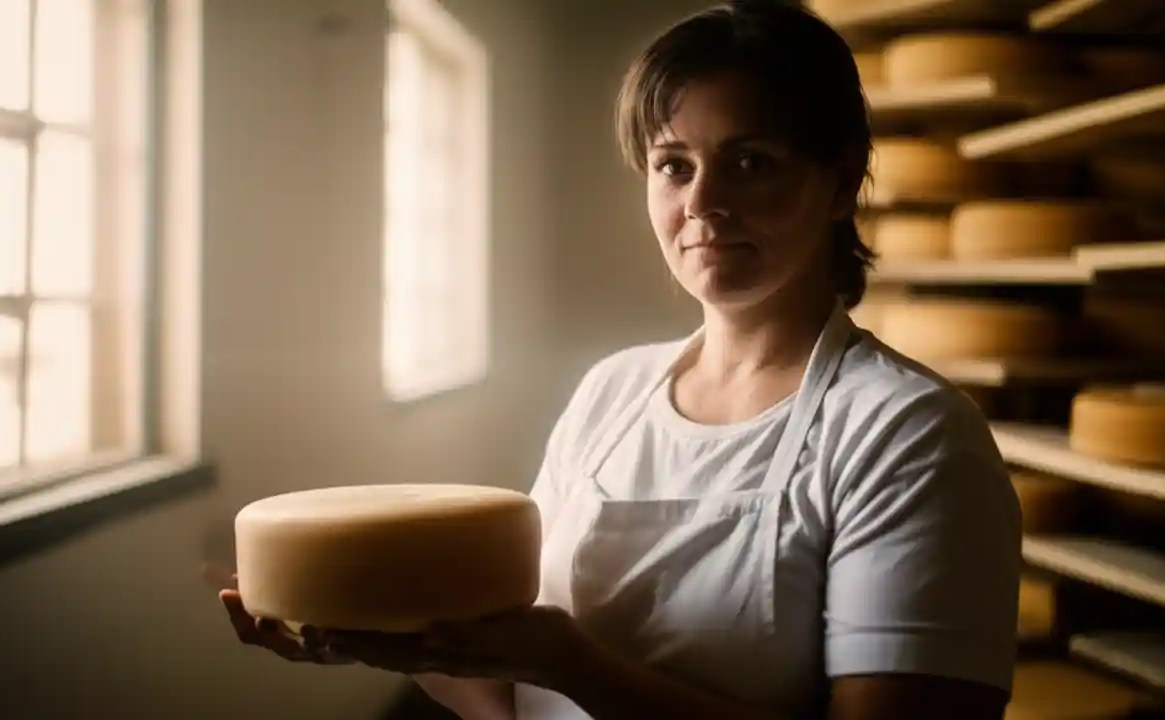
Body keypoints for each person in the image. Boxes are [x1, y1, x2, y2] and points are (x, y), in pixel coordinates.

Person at [220, 1, 1022, 717]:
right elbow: (511, 699)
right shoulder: (612, 392)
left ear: (840, 181)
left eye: (750, 161)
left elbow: (556, 668)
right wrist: (379, 639)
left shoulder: (906, 436)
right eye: (674, 164)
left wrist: (575, 665)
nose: (703, 202)